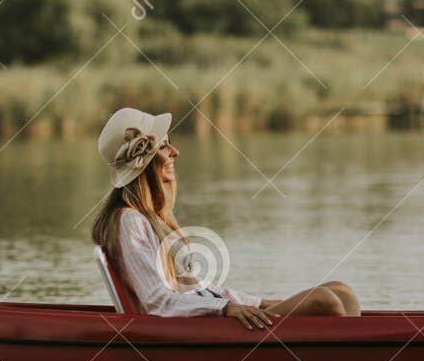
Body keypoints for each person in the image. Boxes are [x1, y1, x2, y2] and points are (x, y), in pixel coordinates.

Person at [89, 108, 359, 329]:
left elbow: (197, 289)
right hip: (195, 330)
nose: (175, 152)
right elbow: (157, 301)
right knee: (325, 301)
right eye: (163, 146)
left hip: (206, 316)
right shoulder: (129, 221)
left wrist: (258, 303)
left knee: (342, 291)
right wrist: (225, 309)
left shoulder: (150, 218)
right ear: (145, 162)